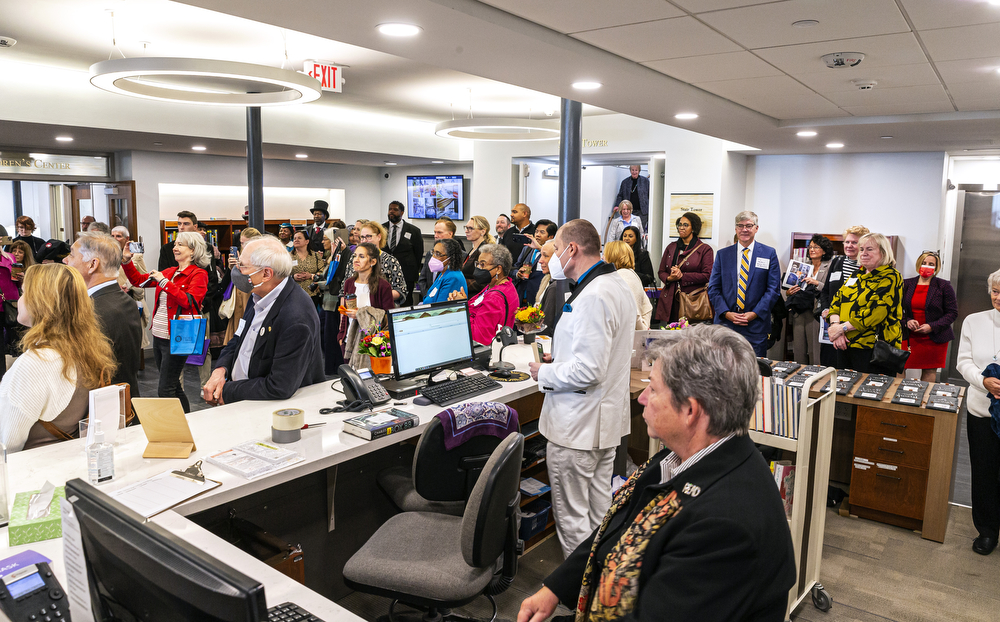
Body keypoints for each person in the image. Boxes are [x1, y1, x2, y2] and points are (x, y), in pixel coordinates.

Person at [518, 325, 796, 622]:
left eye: (653, 388)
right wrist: (556, 587)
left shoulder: (725, 525)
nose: (642, 398)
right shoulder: (683, 454)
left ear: (690, 411)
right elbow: (618, 527)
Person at [527, 220, 636, 558]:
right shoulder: (614, 285)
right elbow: (599, 353)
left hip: (577, 428)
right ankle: (596, 591)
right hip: (602, 425)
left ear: (571, 249)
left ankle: (577, 599)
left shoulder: (593, 296)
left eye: (556, 249)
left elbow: (588, 369)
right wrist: (559, 358)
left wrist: (544, 370)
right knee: (599, 512)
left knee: (573, 518)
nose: (553, 257)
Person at [0, 264, 117, 452]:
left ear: (41, 302)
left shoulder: (36, 363)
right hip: (65, 463)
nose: (19, 301)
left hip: (31, 471)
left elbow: (7, 444)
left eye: (24, 293)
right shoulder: (87, 349)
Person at [203, 236, 324, 405]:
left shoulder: (295, 318)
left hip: (268, 408)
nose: (237, 270)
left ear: (266, 273)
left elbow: (279, 386)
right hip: (245, 397)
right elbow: (238, 338)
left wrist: (228, 391)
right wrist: (220, 369)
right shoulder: (258, 294)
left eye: (243, 266)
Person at [123, 231, 209, 412]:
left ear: (193, 251)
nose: (175, 248)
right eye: (175, 244)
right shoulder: (169, 272)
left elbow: (189, 301)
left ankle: (175, 427)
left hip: (177, 338)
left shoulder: (198, 274)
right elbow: (138, 281)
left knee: (166, 389)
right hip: (159, 336)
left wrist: (164, 283)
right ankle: (188, 420)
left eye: (180, 245)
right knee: (173, 386)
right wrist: (126, 261)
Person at [63, 232, 143, 400]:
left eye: (71, 254)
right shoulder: (123, 300)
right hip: (123, 401)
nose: (65, 260)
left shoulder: (93, 310)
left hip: (104, 408)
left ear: (93, 264)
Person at [956, 268, 1000, 556]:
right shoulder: (974, 321)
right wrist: (983, 380)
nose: (999, 297)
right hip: (981, 411)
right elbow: (963, 362)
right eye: (995, 291)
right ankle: (986, 530)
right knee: (984, 472)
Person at [707, 211, 781, 357]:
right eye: (740, 226)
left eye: (749, 225)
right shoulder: (723, 255)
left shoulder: (769, 253)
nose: (744, 229)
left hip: (756, 325)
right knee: (724, 370)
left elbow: (773, 290)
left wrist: (753, 314)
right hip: (726, 324)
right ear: (735, 229)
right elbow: (713, 289)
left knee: (755, 371)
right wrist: (727, 314)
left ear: (756, 228)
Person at [827, 232, 903, 374]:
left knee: (870, 393)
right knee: (844, 390)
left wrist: (841, 328)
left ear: (883, 252)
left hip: (873, 349)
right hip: (844, 344)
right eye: (862, 249)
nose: (863, 253)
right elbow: (836, 302)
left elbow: (875, 313)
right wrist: (836, 326)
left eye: (869, 249)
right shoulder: (857, 274)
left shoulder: (891, 276)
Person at [902, 251, 958, 382]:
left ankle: (923, 400)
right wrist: (907, 321)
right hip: (909, 335)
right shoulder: (906, 284)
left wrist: (932, 326)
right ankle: (899, 399)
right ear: (918, 264)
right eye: (924, 263)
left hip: (934, 336)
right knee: (900, 366)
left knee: (929, 369)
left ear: (936, 267)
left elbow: (952, 313)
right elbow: (896, 310)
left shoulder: (944, 286)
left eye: (931, 264)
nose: (927, 266)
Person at [447, 243, 518, 346]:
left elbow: (480, 338)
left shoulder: (495, 297)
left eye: (483, 264)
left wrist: (460, 308)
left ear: (498, 269)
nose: (478, 268)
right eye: (478, 264)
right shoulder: (497, 285)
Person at [818, 225, 869, 368]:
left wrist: (843, 328)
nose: (849, 246)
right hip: (832, 326)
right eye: (847, 242)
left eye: (854, 242)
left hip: (853, 330)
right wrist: (825, 309)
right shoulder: (836, 262)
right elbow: (826, 291)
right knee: (829, 369)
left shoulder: (867, 268)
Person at [655, 211, 714, 324]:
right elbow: (661, 271)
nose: (681, 228)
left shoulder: (705, 249)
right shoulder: (671, 247)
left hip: (692, 301)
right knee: (671, 337)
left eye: (685, 225)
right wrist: (669, 278)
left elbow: (707, 275)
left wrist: (682, 276)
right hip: (671, 301)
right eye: (680, 224)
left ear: (693, 228)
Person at [786, 234, 834, 365]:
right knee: (798, 349)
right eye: (810, 247)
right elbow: (790, 288)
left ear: (824, 250)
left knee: (815, 350)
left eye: (816, 247)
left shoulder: (830, 266)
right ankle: (799, 378)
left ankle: (817, 377)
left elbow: (831, 290)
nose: (812, 249)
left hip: (816, 311)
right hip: (800, 310)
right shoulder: (803, 266)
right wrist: (789, 292)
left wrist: (816, 282)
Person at [337, 242, 395, 349]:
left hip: (371, 345)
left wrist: (360, 314)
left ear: (372, 261)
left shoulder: (383, 286)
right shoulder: (349, 283)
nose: (356, 259)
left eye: (361, 256)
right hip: (349, 342)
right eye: (355, 256)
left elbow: (388, 317)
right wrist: (341, 335)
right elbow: (345, 313)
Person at [342, 221, 407, 304]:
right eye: (362, 237)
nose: (365, 240)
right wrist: (343, 315)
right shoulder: (353, 258)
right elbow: (344, 289)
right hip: (354, 307)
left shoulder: (390, 260)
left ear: (379, 237)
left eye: (368, 236)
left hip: (380, 308)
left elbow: (401, 290)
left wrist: (376, 295)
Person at [316, 227, 351, 375]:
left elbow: (336, 280)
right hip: (327, 301)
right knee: (327, 337)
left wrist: (316, 282)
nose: (323, 241)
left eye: (325, 239)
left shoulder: (340, 257)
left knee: (332, 338)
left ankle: (333, 369)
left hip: (333, 302)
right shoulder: (332, 256)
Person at [110, 226, 152, 350]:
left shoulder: (136, 256)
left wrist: (128, 286)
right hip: (113, 299)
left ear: (126, 238)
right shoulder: (107, 253)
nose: (115, 239)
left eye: (118, 236)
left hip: (132, 299)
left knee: (134, 342)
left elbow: (144, 277)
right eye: (112, 236)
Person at [222, 228, 262, 345]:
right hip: (237, 295)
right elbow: (228, 282)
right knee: (236, 333)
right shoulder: (240, 255)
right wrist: (231, 269)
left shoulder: (261, 256)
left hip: (251, 293)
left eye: (247, 243)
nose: (244, 246)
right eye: (241, 243)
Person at [604, 240, 652, 330]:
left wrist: (642, 329)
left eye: (605, 255)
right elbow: (647, 306)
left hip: (629, 335)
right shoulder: (629, 274)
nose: (603, 258)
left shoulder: (622, 276)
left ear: (613, 256)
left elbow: (633, 311)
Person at [383, 200, 424, 304]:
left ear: (402, 212)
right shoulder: (381, 228)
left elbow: (418, 253)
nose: (391, 212)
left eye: (395, 210)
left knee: (406, 301)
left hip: (406, 274)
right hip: (385, 273)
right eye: (390, 209)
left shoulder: (414, 230)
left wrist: (414, 272)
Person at [512, 219, 556, 305]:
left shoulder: (553, 253)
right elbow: (515, 267)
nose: (537, 235)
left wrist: (540, 248)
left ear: (551, 236)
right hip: (521, 294)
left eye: (542, 232)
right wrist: (518, 273)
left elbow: (554, 269)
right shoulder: (527, 249)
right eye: (536, 231)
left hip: (538, 296)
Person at [416, 217, 459, 299]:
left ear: (450, 234)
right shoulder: (430, 253)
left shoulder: (459, 256)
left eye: (439, 232)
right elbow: (422, 279)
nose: (436, 236)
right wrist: (428, 297)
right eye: (435, 232)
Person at [535, 240, 570, 339]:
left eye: (545, 256)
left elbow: (546, 325)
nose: (540, 260)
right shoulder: (546, 280)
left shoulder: (556, 287)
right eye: (541, 255)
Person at [422, 238, 467, 304]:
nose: (433, 257)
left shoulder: (453, 278)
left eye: (438, 254)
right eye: (433, 253)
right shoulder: (443, 273)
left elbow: (441, 308)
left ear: (450, 258)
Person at [461, 215, 496, 298]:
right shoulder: (474, 249)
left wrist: (459, 282)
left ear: (483, 232)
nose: (466, 231)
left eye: (471, 228)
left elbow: (484, 281)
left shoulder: (484, 251)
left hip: (476, 297)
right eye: (466, 227)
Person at [613, 164, 649, 230]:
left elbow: (650, 195)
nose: (634, 172)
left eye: (636, 170)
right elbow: (620, 195)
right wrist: (617, 205)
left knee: (640, 230)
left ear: (639, 171)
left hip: (642, 212)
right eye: (632, 170)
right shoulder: (625, 182)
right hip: (629, 211)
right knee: (629, 230)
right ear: (630, 171)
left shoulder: (645, 181)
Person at [289, 229, 324, 297]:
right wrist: (292, 277)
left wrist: (311, 275)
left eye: (299, 238)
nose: (296, 240)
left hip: (312, 293)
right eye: (294, 238)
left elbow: (323, 273)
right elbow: (281, 275)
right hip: (293, 293)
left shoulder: (316, 256)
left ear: (307, 241)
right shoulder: (287, 257)